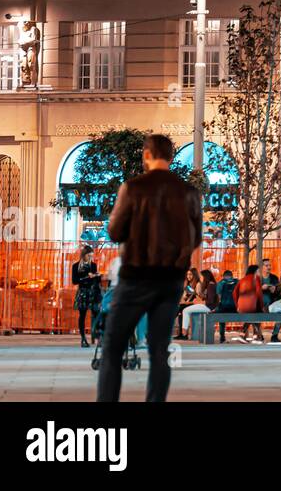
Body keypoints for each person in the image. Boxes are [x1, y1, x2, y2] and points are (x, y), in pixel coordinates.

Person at [96, 133, 202, 403]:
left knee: (112, 347)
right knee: (158, 351)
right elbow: (197, 237)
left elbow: (115, 231)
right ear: (170, 156)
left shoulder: (133, 188)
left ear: (146, 155)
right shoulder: (188, 193)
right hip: (170, 281)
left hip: (135, 277)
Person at [71, 245, 103, 348]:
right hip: (83, 292)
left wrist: (97, 276)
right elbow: (74, 281)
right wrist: (86, 277)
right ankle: (83, 338)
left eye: (91, 256)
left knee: (96, 313)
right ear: (84, 255)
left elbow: (97, 281)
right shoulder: (76, 266)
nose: (90, 258)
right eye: (89, 256)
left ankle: (98, 337)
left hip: (92, 292)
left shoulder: (93, 265)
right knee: (82, 315)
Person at [179, 269, 219, 340]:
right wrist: (201, 296)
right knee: (185, 309)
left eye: (201, 277)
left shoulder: (211, 285)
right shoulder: (209, 284)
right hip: (207, 305)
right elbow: (208, 298)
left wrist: (199, 302)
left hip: (209, 307)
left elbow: (210, 301)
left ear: (205, 277)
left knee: (185, 310)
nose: (201, 278)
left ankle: (184, 330)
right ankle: (184, 330)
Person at [233, 264, 266, 343]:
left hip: (242, 306)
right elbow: (259, 293)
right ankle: (256, 336)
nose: (259, 273)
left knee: (251, 316)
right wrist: (262, 306)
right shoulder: (256, 278)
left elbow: (234, 293)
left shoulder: (242, 279)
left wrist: (237, 305)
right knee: (258, 314)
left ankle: (249, 335)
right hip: (252, 305)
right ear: (255, 271)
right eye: (258, 271)